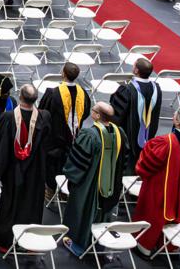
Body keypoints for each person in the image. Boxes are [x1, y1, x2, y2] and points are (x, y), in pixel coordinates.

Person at [0, 84, 51, 253]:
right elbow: (48, 146)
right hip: (35, 173)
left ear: (20, 96)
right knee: (31, 205)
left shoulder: (8, 118)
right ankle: (29, 240)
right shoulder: (44, 117)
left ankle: (4, 241)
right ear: (36, 99)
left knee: (10, 204)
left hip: (13, 173)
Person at [62, 102, 128, 257]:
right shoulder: (120, 133)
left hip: (89, 185)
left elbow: (77, 165)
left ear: (97, 115)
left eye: (93, 110)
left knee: (84, 211)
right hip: (111, 184)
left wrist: (72, 177)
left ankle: (78, 243)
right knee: (103, 211)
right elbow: (124, 162)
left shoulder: (89, 135)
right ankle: (97, 241)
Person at [132, 107, 180, 253]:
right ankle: (169, 247)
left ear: (176, 122)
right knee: (175, 217)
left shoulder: (166, 142)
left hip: (161, 186)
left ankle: (145, 247)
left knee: (154, 215)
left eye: (175, 115)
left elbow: (145, 165)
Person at [37, 62, 92, 195]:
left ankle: (50, 190)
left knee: (52, 164)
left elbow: (43, 114)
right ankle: (64, 190)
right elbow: (85, 113)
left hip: (55, 138)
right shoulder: (83, 93)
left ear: (63, 74)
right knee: (69, 162)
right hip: (74, 138)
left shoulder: (52, 93)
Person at [110, 57, 162, 172]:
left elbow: (117, 114)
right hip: (149, 133)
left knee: (127, 163)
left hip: (129, 135)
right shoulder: (157, 88)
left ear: (136, 71)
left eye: (134, 66)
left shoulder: (127, 89)